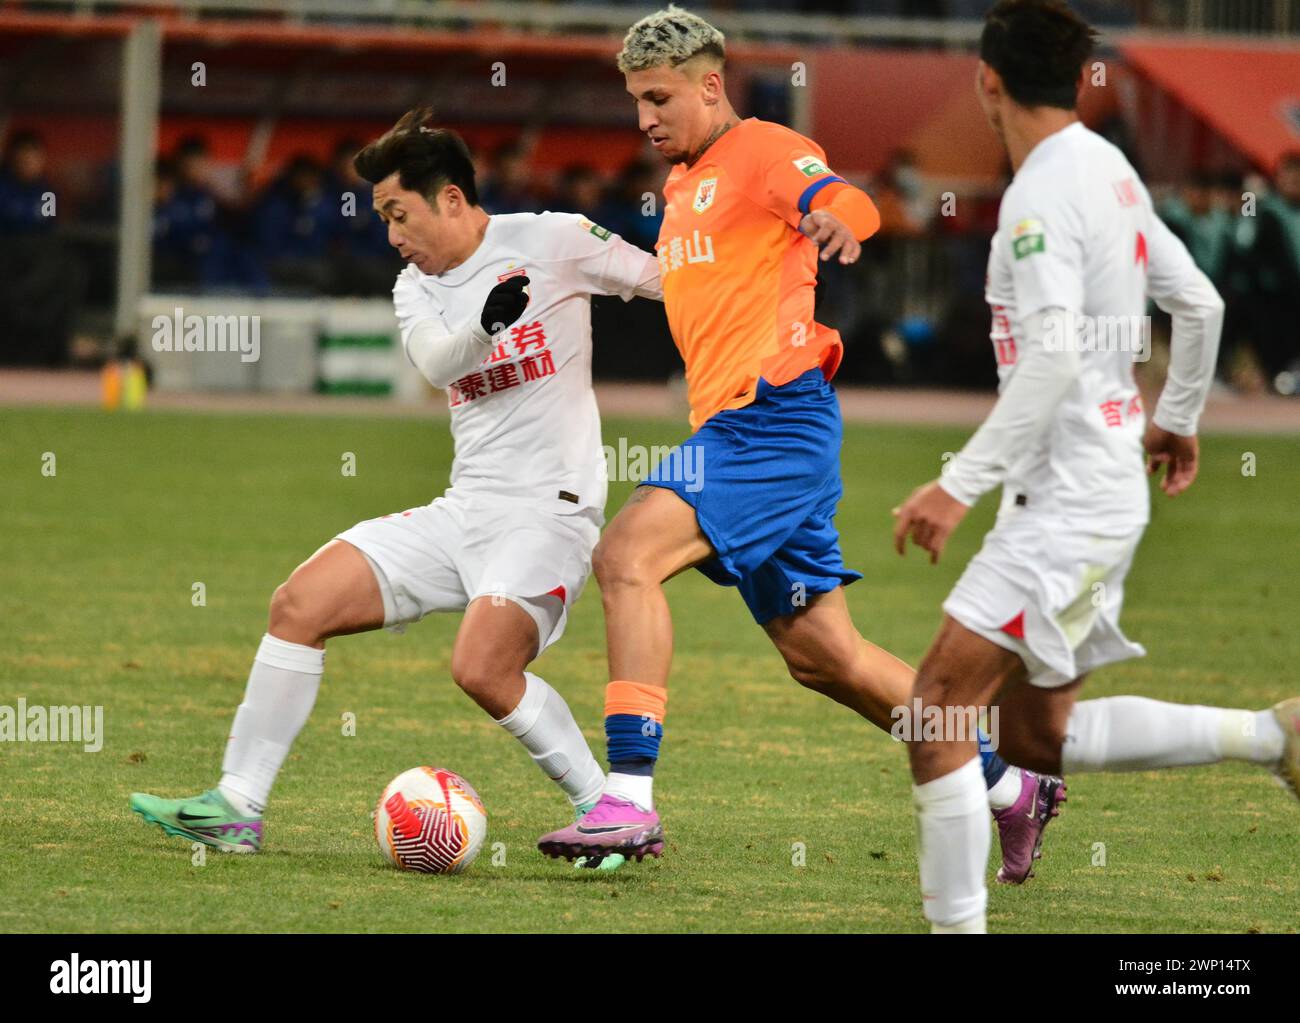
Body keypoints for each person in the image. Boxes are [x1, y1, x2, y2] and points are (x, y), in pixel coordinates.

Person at [537, 5, 1064, 882]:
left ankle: (625, 796)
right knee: (826, 656)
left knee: (626, 556)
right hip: (746, 427)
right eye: (636, 100)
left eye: (658, 98)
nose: (644, 119)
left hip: (772, 420)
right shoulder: (679, 189)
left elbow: (839, 195)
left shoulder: (764, 149)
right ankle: (1007, 786)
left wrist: (841, 221)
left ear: (711, 86)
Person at [130, 107, 662, 871]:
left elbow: (666, 282)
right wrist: (485, 325)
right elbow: (441, 364)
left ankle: (606, 810)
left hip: (550, 513)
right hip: (465, 509)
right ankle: (236, 807)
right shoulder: (415, 287)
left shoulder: (555, 240)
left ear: (450, 199)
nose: (391, 234)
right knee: (298, 604)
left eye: (397, 212)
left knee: (482, 667)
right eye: (383, 216)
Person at [891, 0, 1299, 934]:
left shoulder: (1038, 192)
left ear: (986, 81)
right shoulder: (1109, 167)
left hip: (1067, 500)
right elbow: (1196, 305)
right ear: (1078, 81)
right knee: (1035, 738)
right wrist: (1179, 417)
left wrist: (957, 483)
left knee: (937, 709)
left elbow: (1056, 357)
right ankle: (1273, 735)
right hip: (1099, 485)